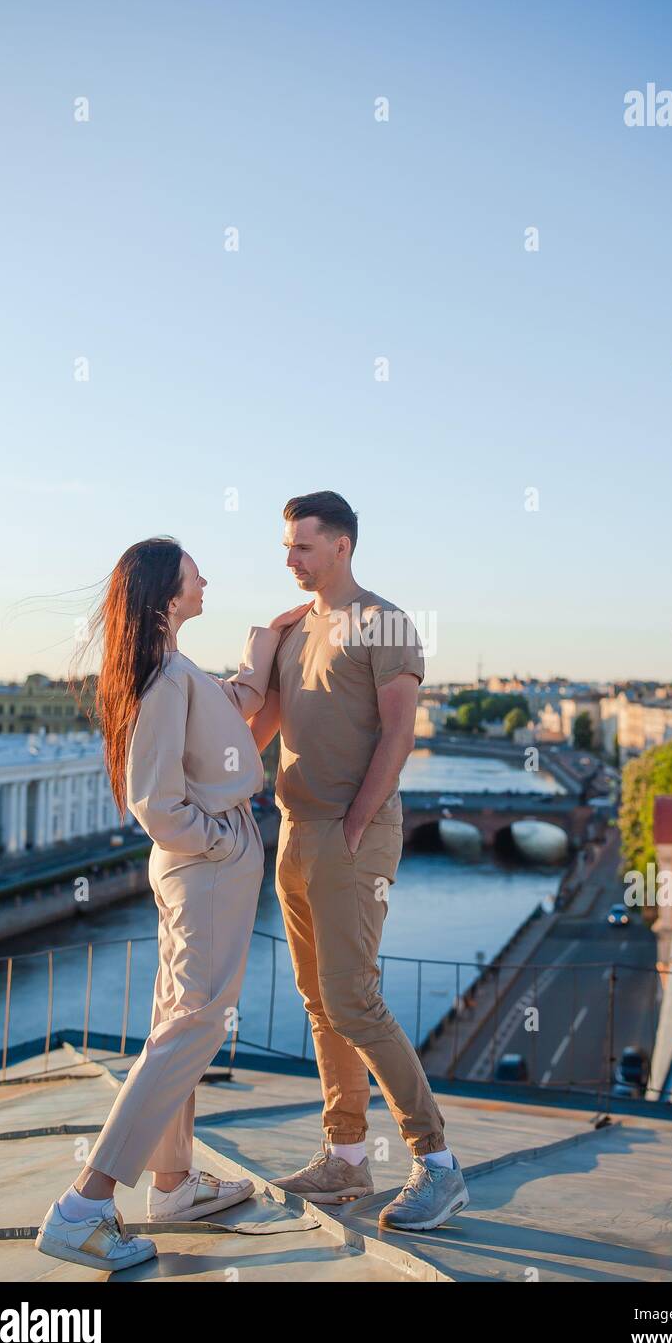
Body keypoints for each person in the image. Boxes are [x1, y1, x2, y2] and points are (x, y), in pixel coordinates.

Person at [35, 536, 310, 1272]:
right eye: (196, 574)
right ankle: (84, 1205)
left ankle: (175, 1182)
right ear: (167, 592)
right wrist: (220, 842)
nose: (206, 579)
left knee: (181, 1022)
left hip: (202, 868)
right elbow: (153, 801)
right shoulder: (162, 681)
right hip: (206, 867)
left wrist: (267, 641)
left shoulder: (177, 673)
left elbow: (239, 704)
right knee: (192, 1025)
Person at [249, 492, 469, 1231]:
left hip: (352, 835)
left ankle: (436, 1163)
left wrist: (353, 826)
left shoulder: (386, 623)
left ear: (341, 546)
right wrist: (252, 660)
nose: (289, 559)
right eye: (287, 546)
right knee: (319, 1003)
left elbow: (399, 735)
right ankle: (345, 1159)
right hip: (293, 829)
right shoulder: (291, 631)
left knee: (354, 1000)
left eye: (302, 547)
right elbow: (257, 735)